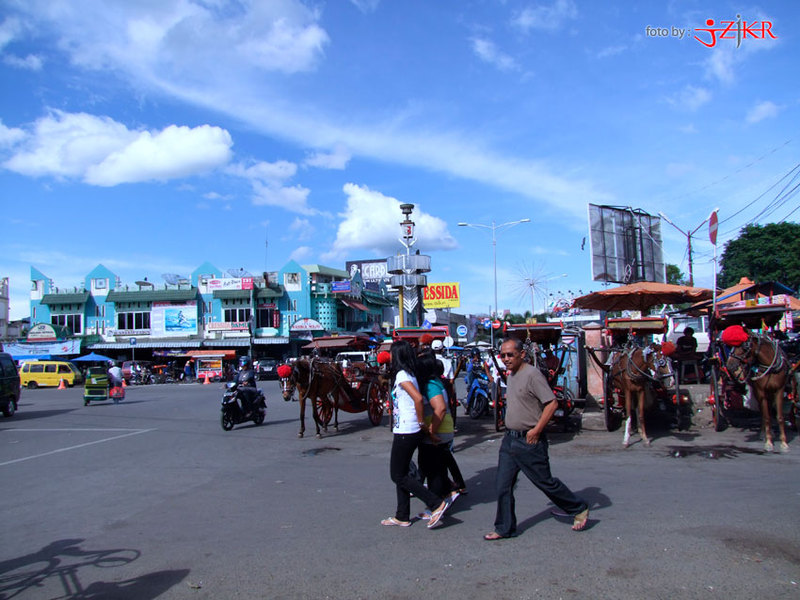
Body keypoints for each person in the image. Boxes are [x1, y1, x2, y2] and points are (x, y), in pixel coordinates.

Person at [484, 337, 589, 540]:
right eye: (503, 355)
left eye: (510, 355)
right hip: (510, 440)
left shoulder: (532, 375)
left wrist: (536, 430)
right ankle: (504, 528)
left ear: (522, 354)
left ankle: (578, 507)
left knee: (544, 482)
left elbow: (551, 404)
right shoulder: (511, 374)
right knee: (502, 485)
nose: (505, 359)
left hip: (529, 440)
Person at [382, 340, 453, 529]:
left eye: (391, 352)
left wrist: (421, 423)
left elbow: (418, 398)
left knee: (397, 475)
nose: (388, 356)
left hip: (407, 429)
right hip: (407, 428)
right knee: (402, 472)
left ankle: (435, 503)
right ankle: (402, 516)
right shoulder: (409, 374)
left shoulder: (402, 375)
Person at [416, 350, 463, 509]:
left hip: (438, 430)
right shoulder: (436, 382)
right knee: (438, 465)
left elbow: (440, 408)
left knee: (433, 469)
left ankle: (436, 505)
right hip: (443, 428)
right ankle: (448, 491)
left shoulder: (430, 385)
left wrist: (431, 431)